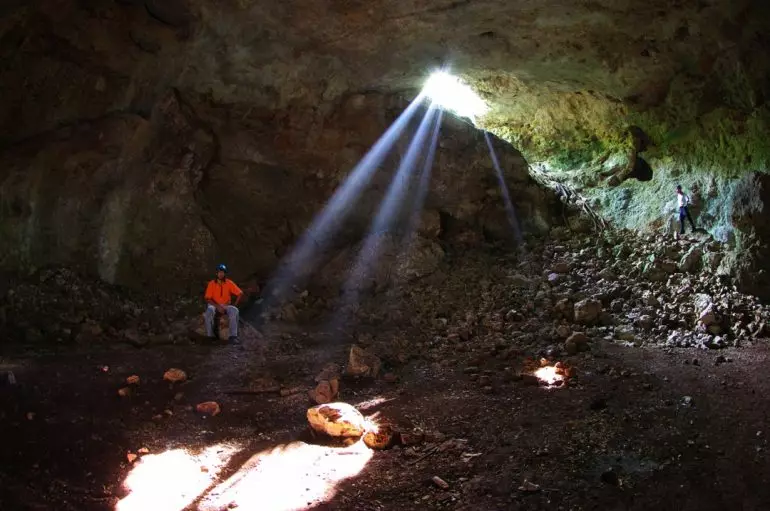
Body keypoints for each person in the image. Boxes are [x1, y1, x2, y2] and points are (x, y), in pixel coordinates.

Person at [204, 263, 243, 344]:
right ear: (216, 273)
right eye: (219, 272)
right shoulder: (211, 283)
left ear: (225, 273)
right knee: (209, 311)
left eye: (222, 272)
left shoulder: (229, 283)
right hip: (214, 304)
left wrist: (234, 305)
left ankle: (233, 336)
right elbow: (208, 298)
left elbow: (240, 293)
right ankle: (210, 336)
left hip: (225, 305)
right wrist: (218, 307)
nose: (221, 274)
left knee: (234, 310)